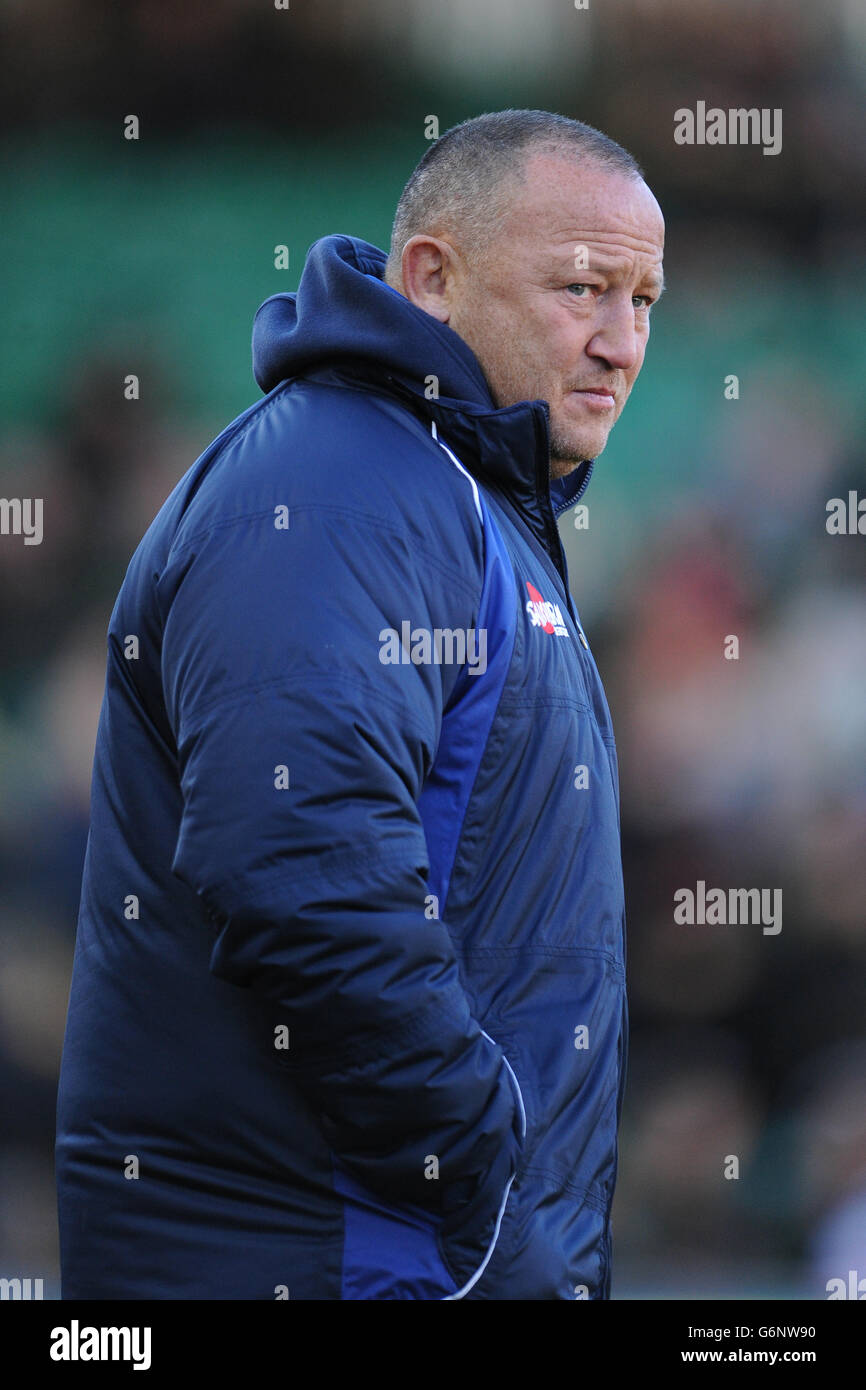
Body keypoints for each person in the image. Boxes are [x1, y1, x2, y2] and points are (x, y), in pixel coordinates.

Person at [56, 109, 665, 1300]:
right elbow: (297, 870)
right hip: (336, 1258)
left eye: (643, 301)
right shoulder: (336, 486)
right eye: (584, 288)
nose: (619, 343)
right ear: (430, 277)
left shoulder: (462, 498)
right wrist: (486, 1168)